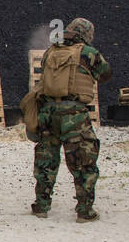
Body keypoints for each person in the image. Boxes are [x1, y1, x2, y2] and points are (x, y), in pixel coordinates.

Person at [31, 18, 111, 222]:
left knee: (46, 161)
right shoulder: (88, 53)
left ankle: (41, 205)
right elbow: (105, 74)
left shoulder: (51, 51)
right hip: (74, 114)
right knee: (83, 162)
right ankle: (84, 210)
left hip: (48, 111)